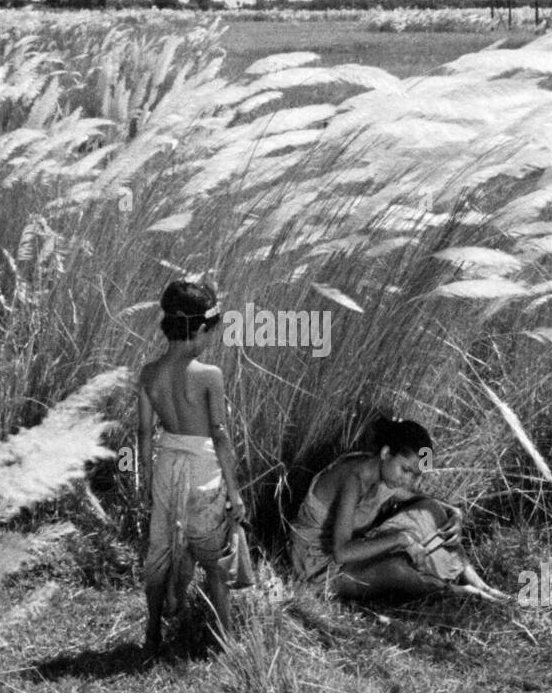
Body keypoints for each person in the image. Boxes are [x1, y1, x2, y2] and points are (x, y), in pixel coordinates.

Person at [138, 280, 253, 653]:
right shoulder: (210, 375)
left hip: (166, 466)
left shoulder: (149, 373)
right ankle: (225, 641)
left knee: (160, 553)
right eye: (210, 332)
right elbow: (219, 435)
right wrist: (235, 494)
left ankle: (153, 634)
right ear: (201, 329)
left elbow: (143, 432)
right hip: (203, 470)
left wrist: (147, 484)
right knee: (216, 561)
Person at [288, 418, 508, 604]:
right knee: (396, 569)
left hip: (350, 552)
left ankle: (482, 586)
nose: (408, 480)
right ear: (385, 453)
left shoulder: (385, 478)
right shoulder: (352, 479)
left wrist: (456, 513)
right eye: (405, 470)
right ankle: (460, 593)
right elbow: (341, 552)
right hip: (318, 568)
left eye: (415, 475)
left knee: (432, 509)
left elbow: (424, 500)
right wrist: (400, 539)